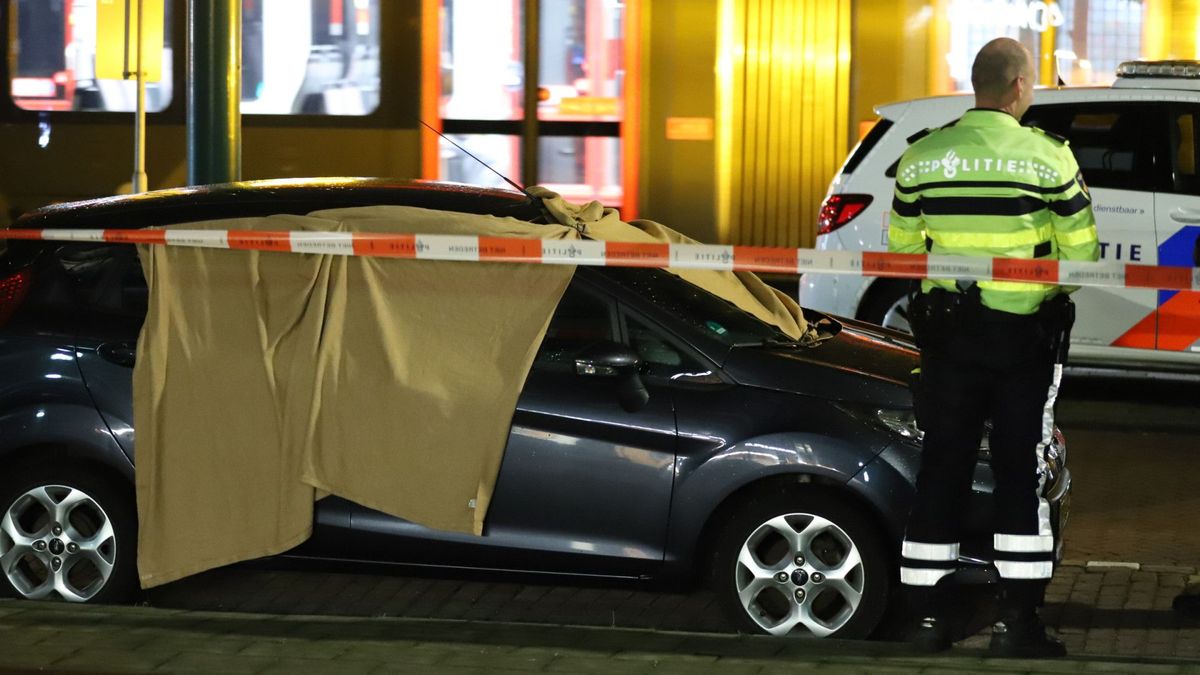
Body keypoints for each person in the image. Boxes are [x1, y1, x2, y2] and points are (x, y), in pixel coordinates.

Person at [887, 37, 1100, 658]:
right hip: (1022, 344)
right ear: (1018, 88)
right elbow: (1081, 257)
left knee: (942, 472)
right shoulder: (1048, 159)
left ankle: (924, 622)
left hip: (949, 341)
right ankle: (1018, 625)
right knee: (1018, 477)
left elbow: (901, 254)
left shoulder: (920, 158)